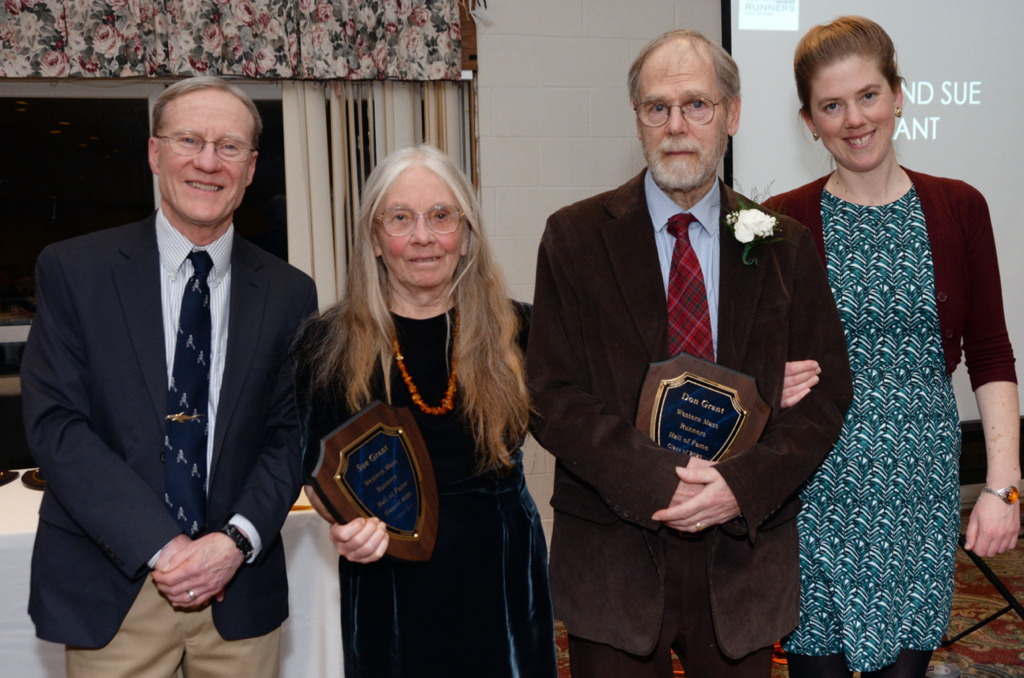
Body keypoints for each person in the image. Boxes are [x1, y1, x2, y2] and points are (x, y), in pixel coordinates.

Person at [526, 29, 854, 678]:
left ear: (731, 115)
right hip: (614, 552)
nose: (676, 126)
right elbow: (551, 395)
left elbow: (826, 397)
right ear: (639, 120)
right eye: (657, 107)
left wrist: (737, 487)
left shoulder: (783, 245)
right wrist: (664, 482)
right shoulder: (574, 238)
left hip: (742, 558)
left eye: (696, 105)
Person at [20, 76, 318, 678]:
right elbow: (58, 427)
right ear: (155, 154)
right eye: (189, 140)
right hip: (118, 585)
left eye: (229, 146)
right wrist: (167, 547)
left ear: (252, 167)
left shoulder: (290, 292)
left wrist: (232, 543)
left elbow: (292, 435)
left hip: (239, 590)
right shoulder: (75, 271)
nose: (208, 162)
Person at [763, 16, 1021, 678]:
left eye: (869, 95)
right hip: (814, 492)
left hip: (919, 491)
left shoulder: (961, 207)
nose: (855, 119)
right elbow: (747, 356)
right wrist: (768, 377)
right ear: (808, 120)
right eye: (832, 105)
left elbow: (991, 354)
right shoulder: (778, 219)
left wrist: (1002, 487)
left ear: (898, 95)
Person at [292, 144, 557, 678]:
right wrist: (342, 525)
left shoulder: (521, 330)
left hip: (501, 576)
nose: (422, 237)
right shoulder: (328, 344)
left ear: (466, 237)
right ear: (374, 237)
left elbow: (591, 417)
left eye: (441, 216)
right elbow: (314, 469)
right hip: (388, 578)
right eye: (400, 218)